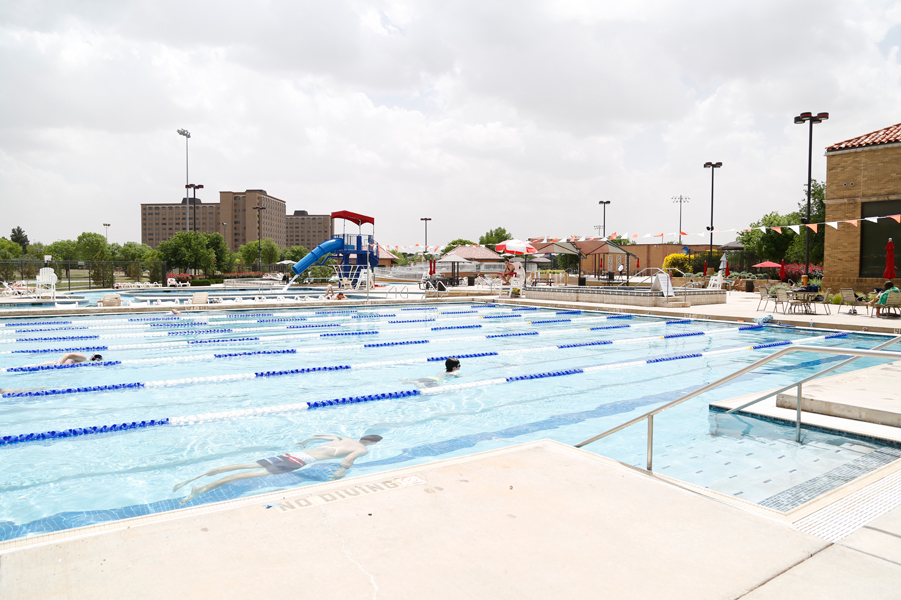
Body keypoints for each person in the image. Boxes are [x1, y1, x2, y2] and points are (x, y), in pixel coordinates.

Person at [174, 434, 383, 504]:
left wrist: (303, 441)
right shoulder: (362, 449)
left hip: (291, 455)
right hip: (300, 461)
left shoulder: (344, 437)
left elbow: (321, 435)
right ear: (371, 444)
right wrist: (341, 472)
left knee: (247, 465)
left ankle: (196, 478)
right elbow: (347, 461)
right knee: (253, 474)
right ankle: (202, 488)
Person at [37, 352, 103, 367]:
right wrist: (59, 364)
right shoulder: (83, 358)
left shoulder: (83, 363)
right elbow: (68, 355)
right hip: (52, 364)